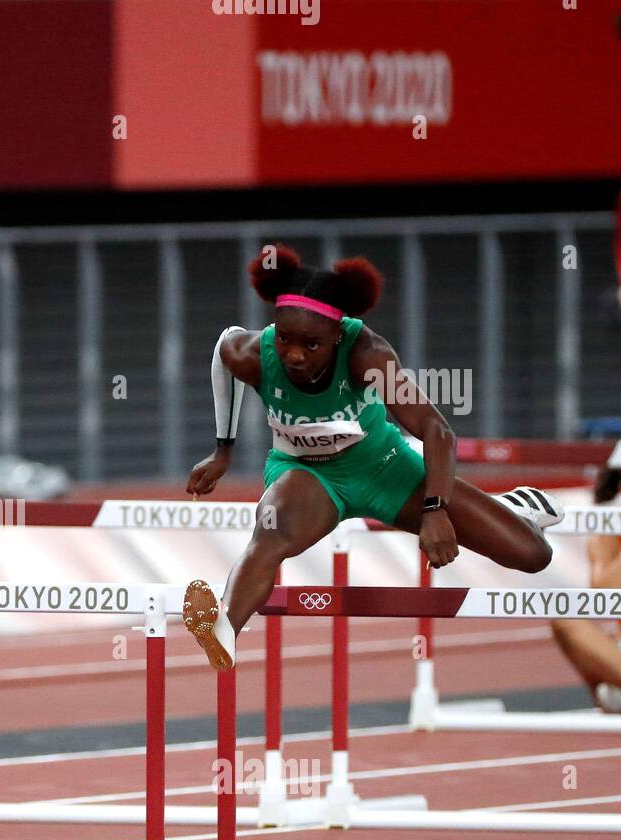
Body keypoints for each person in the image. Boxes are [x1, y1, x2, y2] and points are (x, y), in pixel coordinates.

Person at [182, 245, 562, 670]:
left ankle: (513, 507)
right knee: (271, 532)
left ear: (339, 335)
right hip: (307, 476)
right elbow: (222, 351)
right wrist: (222, 450)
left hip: (385, 470)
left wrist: (435, 510)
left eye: (311, 344)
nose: (293, 355)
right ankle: (225, 629)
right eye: (285, 338)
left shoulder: (369, 356)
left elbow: (437, 431)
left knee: (532, 555)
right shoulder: (251, 353)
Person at [551, 451, 621, 711]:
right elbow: (604, 596)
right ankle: (610, 700)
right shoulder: (604, 538)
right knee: (565, 620)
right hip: (618, 657)